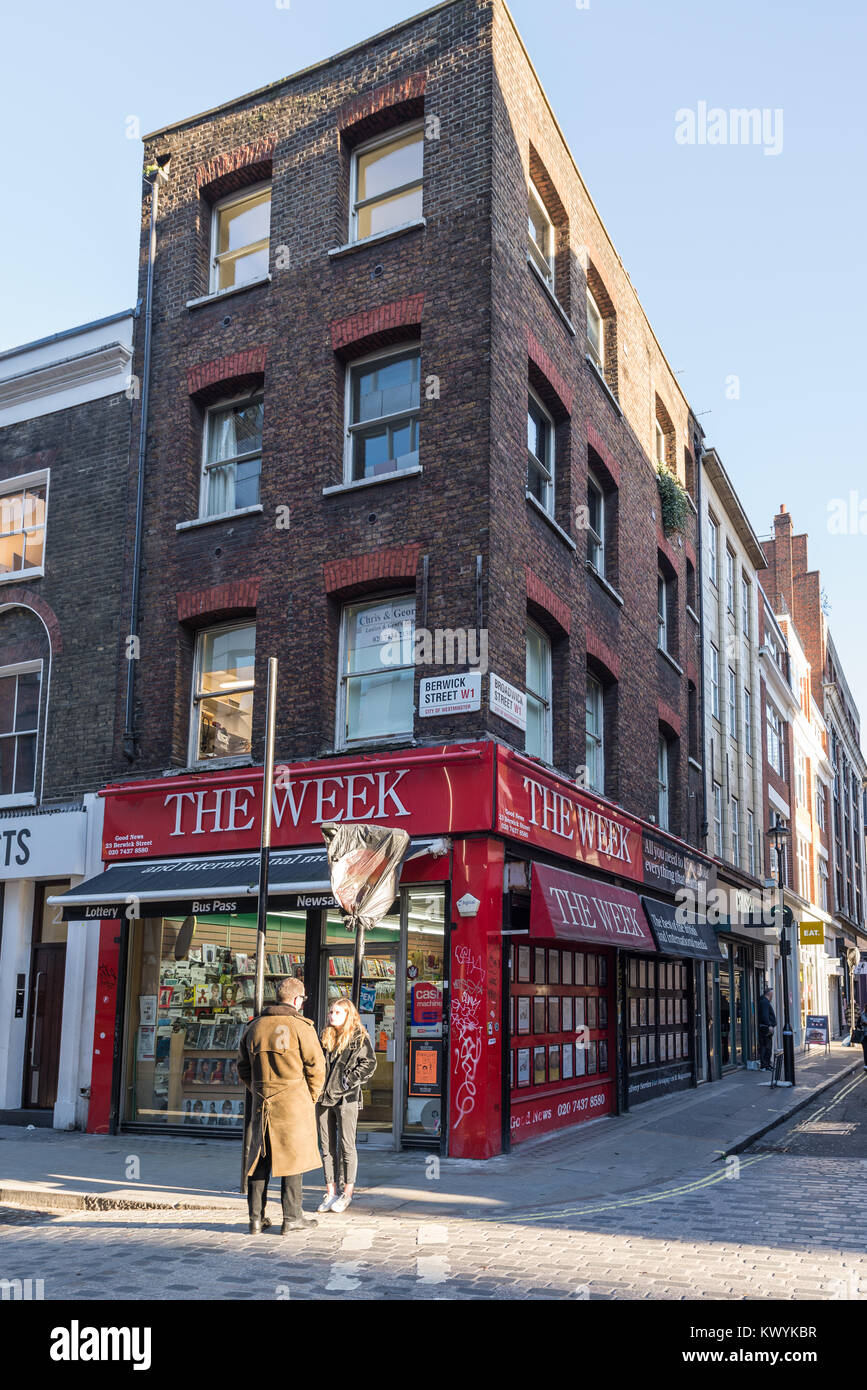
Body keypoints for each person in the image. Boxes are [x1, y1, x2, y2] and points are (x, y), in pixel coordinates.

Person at [238, 976, 326, 1235]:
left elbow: (242, 1066)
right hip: (293, 1104)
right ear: (297, 1000)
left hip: (261, 1103)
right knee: (293, 1160)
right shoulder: (302, 1027)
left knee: (258, 1161)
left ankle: (256, 1219)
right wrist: (310, 1096)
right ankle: (292, 1218)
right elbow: (316, 1067)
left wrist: (257, 1089)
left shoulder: (254, 1026)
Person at [316, 997, 377, 1214]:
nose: (332, 1016)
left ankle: (348, 1192)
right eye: (331, 1012)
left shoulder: (358, 1038)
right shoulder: (325, 1036)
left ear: (348, 1014)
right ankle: (330, 1190)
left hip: (346, 1098)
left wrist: (347, 1080)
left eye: (337, 1012)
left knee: (346, 1145)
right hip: (323, 1097)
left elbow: (369, 1063)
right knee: (326, 1146)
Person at [758, 988, 776, 1070]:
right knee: (766, 1046)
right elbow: (765, 1015)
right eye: (772, 994)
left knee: (766, 1046)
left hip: (765, 1027)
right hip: (765, 1028)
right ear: (769, 994)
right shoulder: (764, 1002)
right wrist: (769, 1025)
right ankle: (765, 1064)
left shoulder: (764, 1001)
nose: (773, 995)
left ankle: (766, 1064)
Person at [855, 1002, 867, 1070]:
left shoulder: (862, 1015)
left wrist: (862, 1026)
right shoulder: (862, 1015)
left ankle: (866, 1065)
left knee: (865, 1050)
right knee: (865, 1050)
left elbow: (857, 1025)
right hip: (864, 1035)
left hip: (864, 1035)